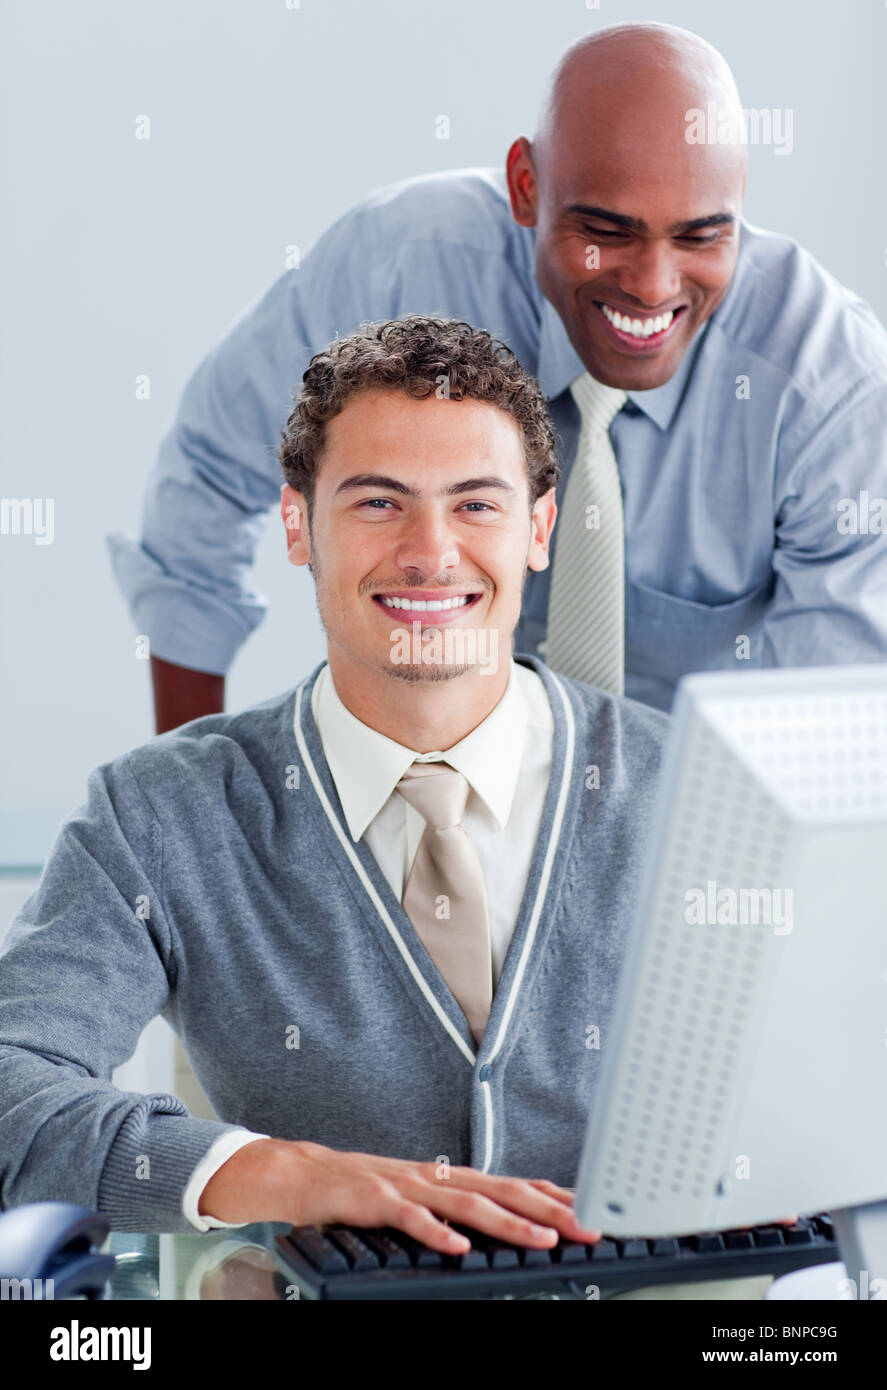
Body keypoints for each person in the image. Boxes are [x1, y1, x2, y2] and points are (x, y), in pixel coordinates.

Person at [0, 316, 669, 1245]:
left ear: (540, 529)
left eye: (476, 504)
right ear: (296, 525)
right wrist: (262, 1170)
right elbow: (11, 1083)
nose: (431, 551)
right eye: (378, 502)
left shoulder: (693, 787)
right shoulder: (159, 814)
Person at [109, 21, 887, 732]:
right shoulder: (394, 269)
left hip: (684, 832)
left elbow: (826, 723)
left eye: (700, 235)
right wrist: (186, 815)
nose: (652, 286)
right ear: (525, 187)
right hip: (408, 789)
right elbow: (206, 485)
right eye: (605, 231)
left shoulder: (826, 385)